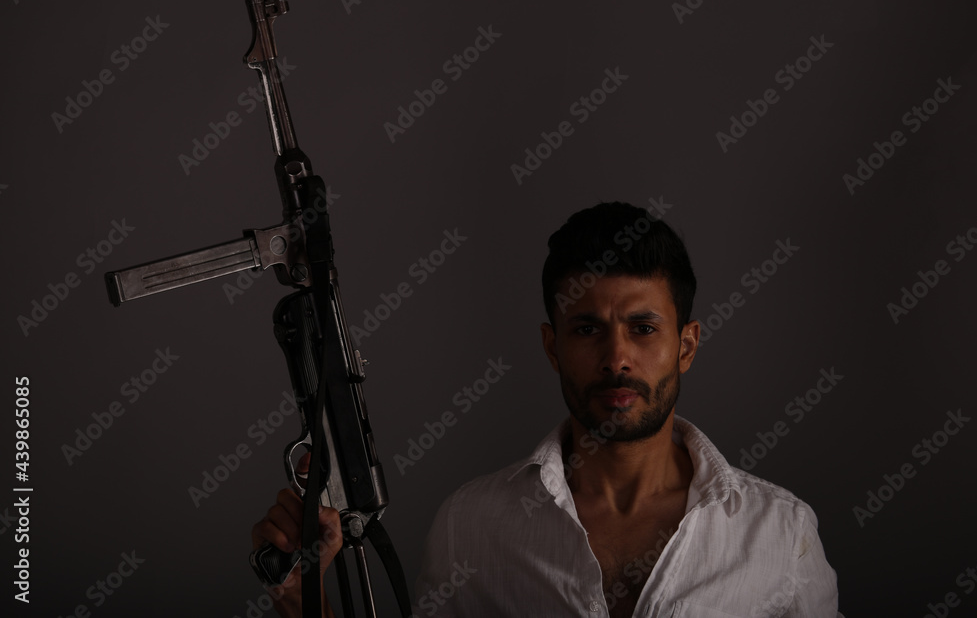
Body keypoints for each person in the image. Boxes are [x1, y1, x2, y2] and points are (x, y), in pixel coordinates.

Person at [252, 201, 842, 617]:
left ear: (685, 346)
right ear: (552, 345)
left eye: (643, 328)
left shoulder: (779, 533)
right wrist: (309, 603)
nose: (617, 357)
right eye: (588, 328)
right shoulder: (471, 527)